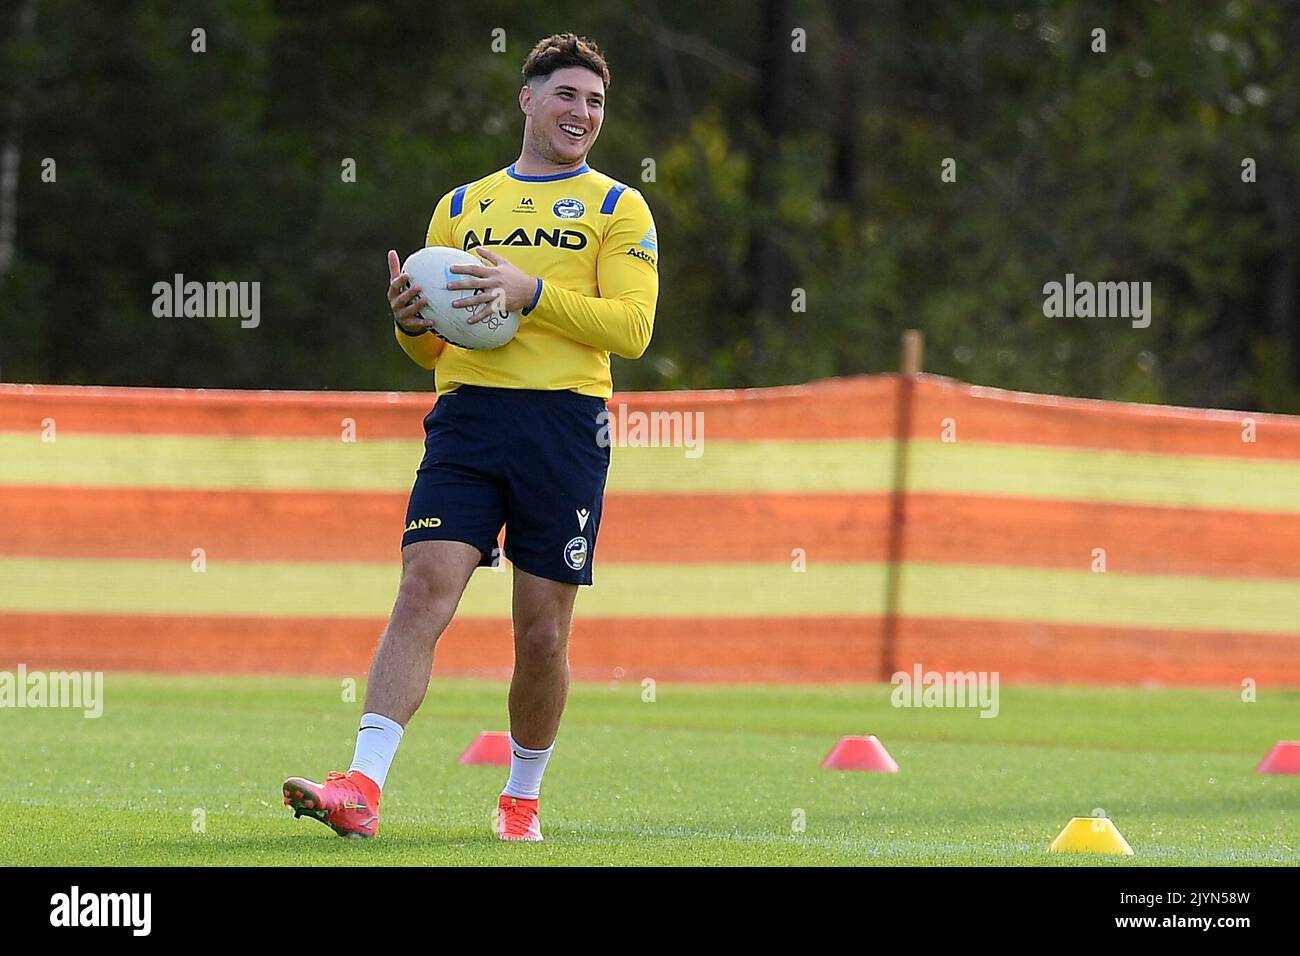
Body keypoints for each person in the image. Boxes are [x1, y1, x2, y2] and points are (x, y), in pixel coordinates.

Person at [282, 32, 659, 842]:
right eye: (566, 95)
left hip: (564, 425)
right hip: (468, 420)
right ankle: (361, 788)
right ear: (527, 99)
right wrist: (410, 326)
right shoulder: (460, 206)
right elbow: (435, 347)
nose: (581, 113)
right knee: (422, 590)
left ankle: (521, 798)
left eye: (594, 102)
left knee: (541, 631)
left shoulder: (618, 206)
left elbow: (632, 329)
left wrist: (532, 292)